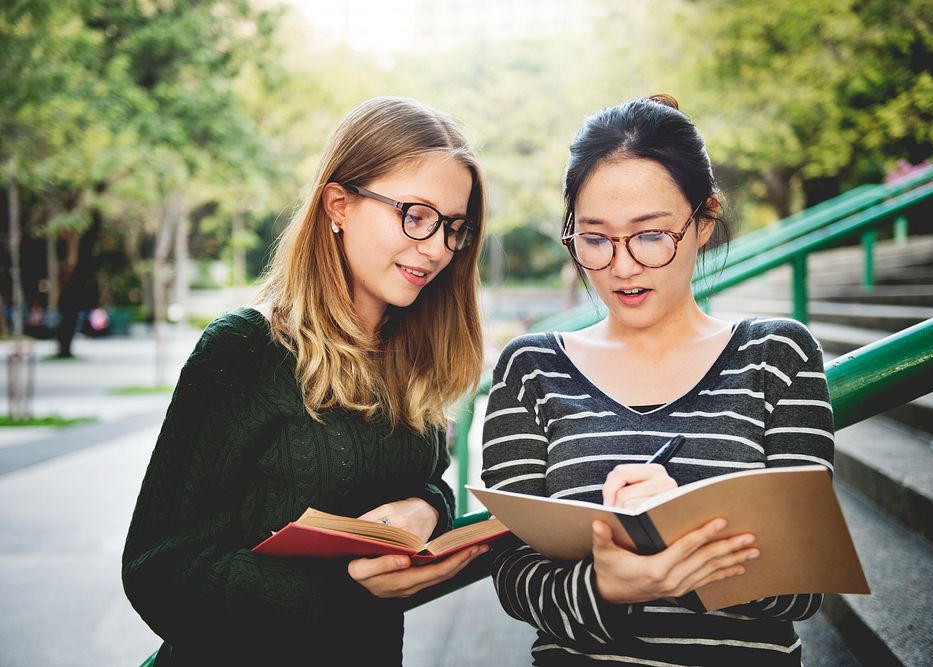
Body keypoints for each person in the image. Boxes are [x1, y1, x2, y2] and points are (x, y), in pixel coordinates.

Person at [123, 96, 490, 666]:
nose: (438, 248)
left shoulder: (408, 353)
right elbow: (160, 569)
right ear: (339, 204)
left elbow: (415, 479)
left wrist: (429, 508)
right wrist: (346, 586)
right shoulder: (244, 350)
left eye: (454, 228)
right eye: (416, 215)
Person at [482, 94, 834, 666]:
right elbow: (513, 574)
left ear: (704, 220)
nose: (622, 268)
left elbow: (804, 583)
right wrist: (606, 588)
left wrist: (676, 530)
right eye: (595, 239)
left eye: (650, 235)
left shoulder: (777, 357)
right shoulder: (531, 368)